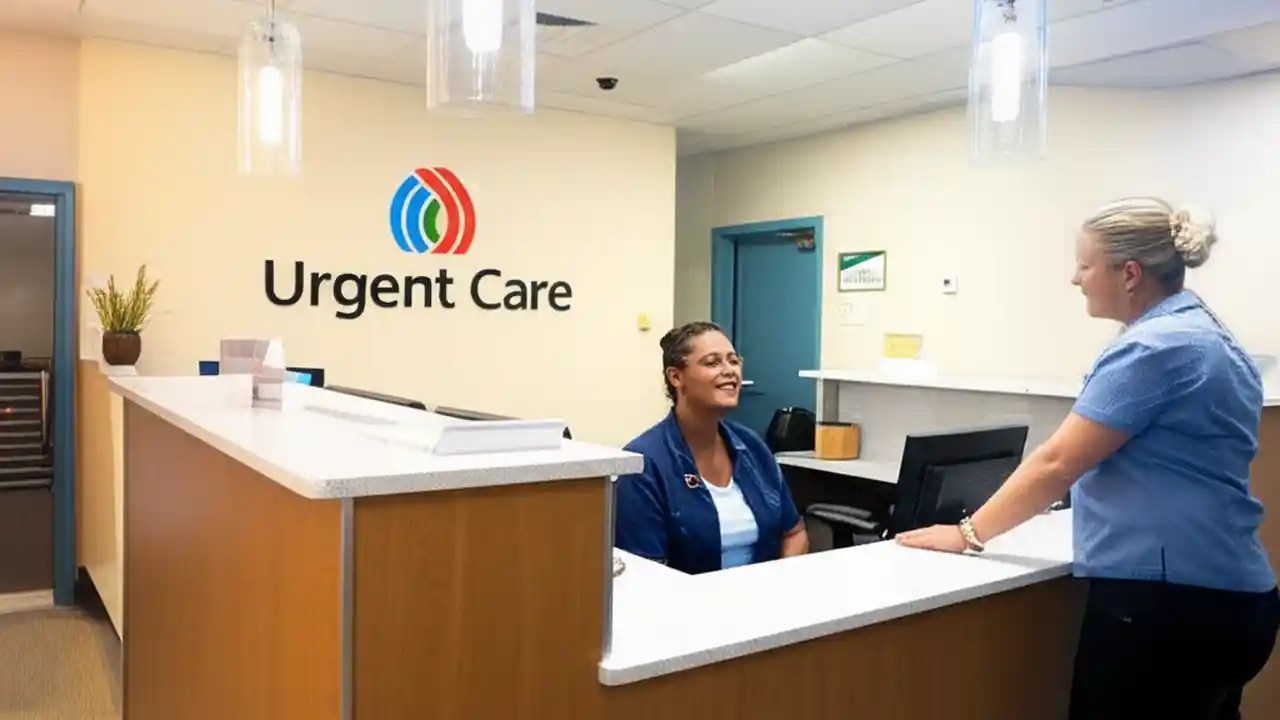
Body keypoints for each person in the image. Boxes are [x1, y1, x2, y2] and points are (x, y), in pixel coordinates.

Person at [897, 197, 1279, 719]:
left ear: (1129, 273)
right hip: (1234, 597)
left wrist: (967, 533)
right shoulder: (1207, 334)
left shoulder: (1156, 348)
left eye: (1083, 264)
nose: (1075, 278)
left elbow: (1057, 464)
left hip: (1168, 611)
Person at [614, 321, 809, 574]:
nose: (730, 371)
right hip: (686, 608)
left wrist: (775, 589)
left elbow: (794, 533)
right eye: (712, 362)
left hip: (763, 605)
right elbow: (647, 574)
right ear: (676, 377)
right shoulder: (643, 463)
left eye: (734, 361)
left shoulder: (752, 446)